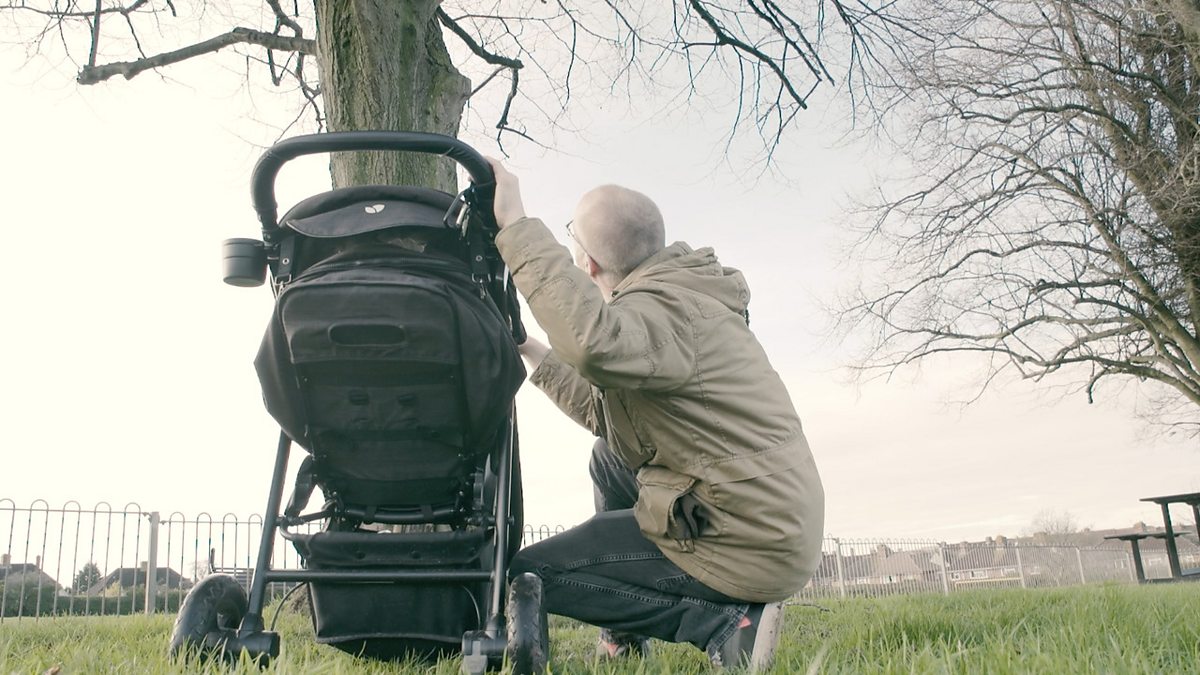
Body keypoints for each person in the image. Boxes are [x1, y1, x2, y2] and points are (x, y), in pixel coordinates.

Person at [485, 158, 825, 671]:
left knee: (533, 574)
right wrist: (527, 345)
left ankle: (726, 624)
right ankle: (623, 636)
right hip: (764, 516)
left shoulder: (662, 313)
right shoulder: (680, 300)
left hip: (747, 537)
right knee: (609, 459)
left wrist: (515, 225)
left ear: (588, 264)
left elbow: (594, 342)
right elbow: (612, 414)